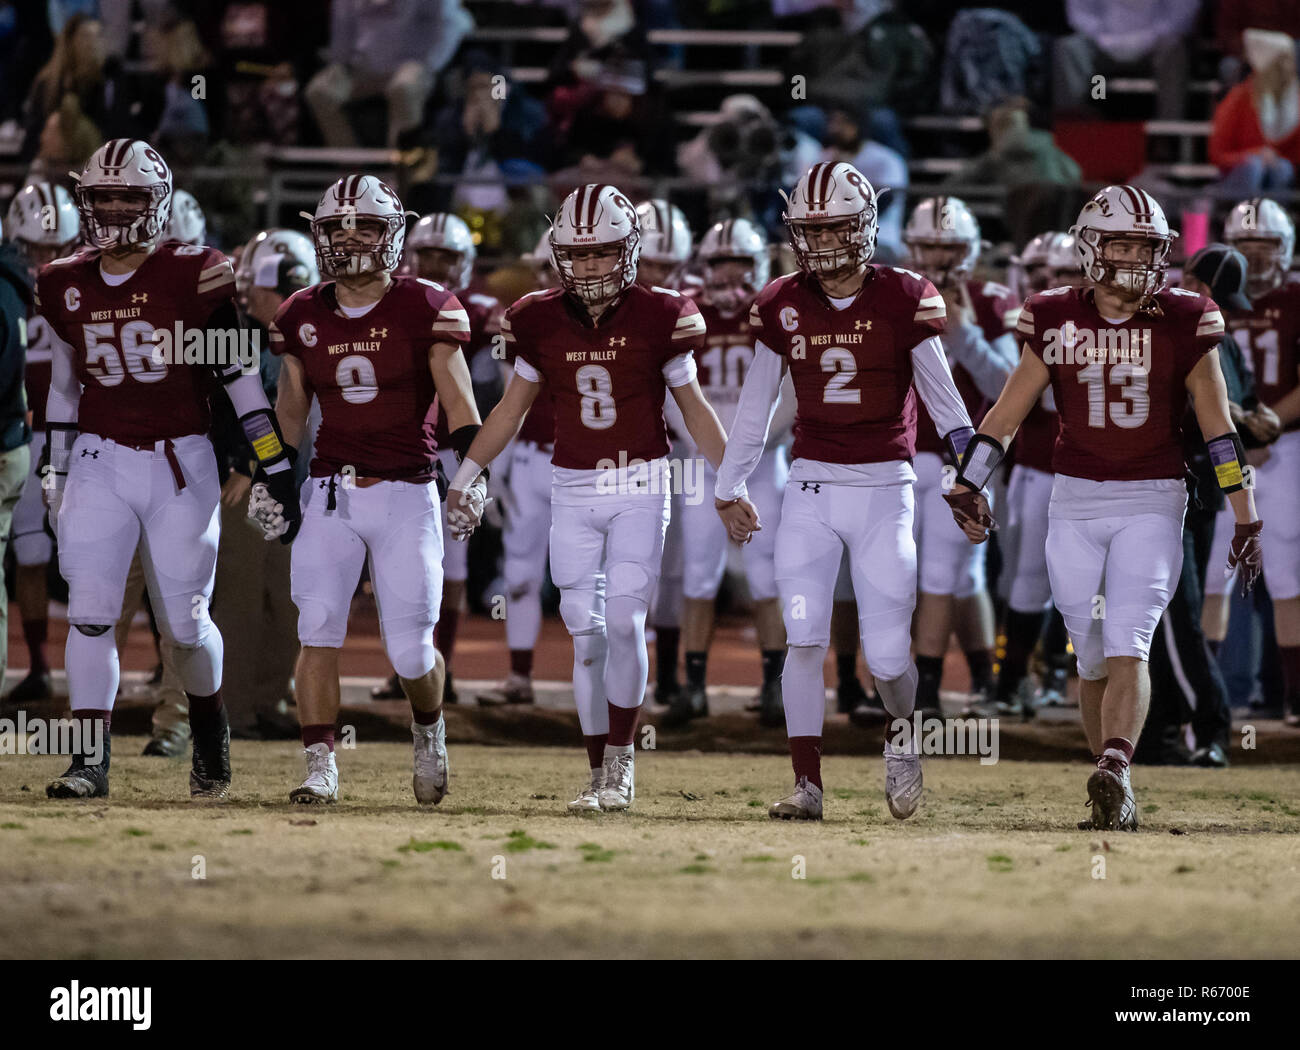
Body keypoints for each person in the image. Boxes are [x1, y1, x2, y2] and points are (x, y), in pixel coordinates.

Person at [946, 185, 1262, 830]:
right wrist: (968, 480)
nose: (1136, 258)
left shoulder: (1186, 315)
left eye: (1147, 247)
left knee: (1129, 640)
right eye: (1121, 243)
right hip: (1074, 500)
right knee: (1089, 652)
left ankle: (1117, 767)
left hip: (1152, 498)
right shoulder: (1053, 314)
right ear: (1091, 247)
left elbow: (1217, 429)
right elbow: (1006, 416)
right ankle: (1108, 783)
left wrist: (1245, 511)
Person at [446, 183, 728, 813]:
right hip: (570, 486)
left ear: (628, 251)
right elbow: (510, 411)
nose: (592, 266)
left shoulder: (663, 312)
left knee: (626, 622)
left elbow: (693, 410)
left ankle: (623, 765)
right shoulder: (536, 316)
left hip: (639, 481)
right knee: (585, 634)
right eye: (579, 254)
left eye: (603, 252)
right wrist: (466, 473)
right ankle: (597, 768)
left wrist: (730, 481)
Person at [714, 161, 975, 822]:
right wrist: (728, 484)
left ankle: (902, 732)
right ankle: (808, 784)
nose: (824, 241)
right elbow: (754, 404)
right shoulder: (782, 300)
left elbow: (947, 406)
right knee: (804, 636)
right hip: (810, 484)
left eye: (835, 227)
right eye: (812, 229)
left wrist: (973, 475)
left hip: (888, 484)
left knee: (889, 656)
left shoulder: (905, 295)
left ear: (865, 226)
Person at [39, 138, 299, 800]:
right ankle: (87, 760)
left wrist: (272, 461)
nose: (116, 208)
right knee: (92, 614)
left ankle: (210, 731)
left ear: (157, 204)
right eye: (103, 196)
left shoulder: (196, 271)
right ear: (85, 201)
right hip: (100, 457)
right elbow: (67, 381)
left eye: (130, 196)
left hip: (181, 462)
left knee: (185, 624)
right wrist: (56, 463)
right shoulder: (63, 280)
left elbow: (238, 373)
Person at [255, 176, 482, 805]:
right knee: (320, 624)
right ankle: (320, 765)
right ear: (319, 236)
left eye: (366, 227)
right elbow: (291, 415)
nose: (350, 238)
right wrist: (270, 476)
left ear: (393, 235)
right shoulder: (300, 312)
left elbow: (461, 402)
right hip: (331, 493)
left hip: (409, 492)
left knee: (411, 651)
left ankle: (429, 727)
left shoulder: (427, 305)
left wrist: (471, 474)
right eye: (337, 228)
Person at [369, 212, 500, 707]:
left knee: (454, 567)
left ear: (465, 263)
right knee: (393, 567)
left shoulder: (480, 311)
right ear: (411, 255)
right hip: (403, 450)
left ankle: (443, 667)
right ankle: (401, 670)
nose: (440, 266)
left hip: (457, 450)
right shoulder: (397, 302)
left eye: (449, 257)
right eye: (431, 256)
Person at [1141, 244, 1262, 766]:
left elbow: (1236, 426)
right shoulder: (1195, 333)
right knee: (1164, 615)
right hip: (1190, 486)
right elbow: (1243, 422)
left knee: (1174, 615)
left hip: (1189, 487)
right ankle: (1161, 731)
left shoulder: (1199, 336)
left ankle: (1208, 725)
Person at [901, 196, 1019, 719]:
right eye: (929, 247)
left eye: (949, 249)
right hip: (903, 456)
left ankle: (923, 695)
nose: (940, 260)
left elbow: (1008, 386)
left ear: (970, 251)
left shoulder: (993, 300)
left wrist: (967, 333)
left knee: (940, 573)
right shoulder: (892, 297)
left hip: (964, 459)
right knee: (962, 578)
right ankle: (986, 679)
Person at [673, 218, 792, 729]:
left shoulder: (775, 312)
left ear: (758, 266)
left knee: (768, 574)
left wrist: (744, 454)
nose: (727, 277)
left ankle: (773, 686)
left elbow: (793, 394)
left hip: (763, 461)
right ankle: (693, 687)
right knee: (699, 575)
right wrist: (720, 456)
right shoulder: (685, 311)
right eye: (719, 265)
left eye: (738, 265)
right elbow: (671, 397)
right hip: (701, 463)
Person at [212, 228, 319, 740]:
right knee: (242, 598)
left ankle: (269, 699)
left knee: (289, 600)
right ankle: (236, 706)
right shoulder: (238, 336)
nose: (246, 293)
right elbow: (236, 414)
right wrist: (242, 461)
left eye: (254, 284)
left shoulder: (306, 332)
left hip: (298, 486)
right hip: (255, 483)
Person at [1221, 197, 1300, 725]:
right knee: (1214, 572)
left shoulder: (1295, 297)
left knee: (1288, 572)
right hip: (1223, 444)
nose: (1255, 254)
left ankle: (1292, 696)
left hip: (1287, 443)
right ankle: (1216, 698)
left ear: (1284, 246)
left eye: (1264, 244)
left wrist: (1268, 420)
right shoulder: (1213, 300)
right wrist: (1237, 428)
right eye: (1246, 244)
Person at [2, 181, 78, 709]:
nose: (47, 259)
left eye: (57, 247)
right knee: (30, 554)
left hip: (80, 438)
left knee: (91, 558)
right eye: (36, 248)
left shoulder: (89, 288)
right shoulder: (10, 289)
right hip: (29, 434)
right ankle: (41, 666)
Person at [476, 231, 560, 707]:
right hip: (531, 460)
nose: (549, 278)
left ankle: (611, 688)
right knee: (521, 575)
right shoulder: (523, 319)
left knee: (596, 583)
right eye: (545, 268)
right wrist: (497, 473)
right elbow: (512, 406)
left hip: (591, 469)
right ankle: (520, 677)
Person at [305, 0, 473, 148]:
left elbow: (448, 26)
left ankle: (401, 166)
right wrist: (339, 63)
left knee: (403, 87)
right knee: (319, 91)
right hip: (361, 67)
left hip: (413, 64)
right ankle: (350, 166)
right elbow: (343, 31)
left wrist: (428, 64)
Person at [1209, 30, 1300, 198]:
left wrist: (1273, 158)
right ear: (1265, 67)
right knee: (1254, 167)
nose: (1288, 69)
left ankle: (1275, 221)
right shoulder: (1239, 98)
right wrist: (1255, 154)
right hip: (1236, 178)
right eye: (1281, 63)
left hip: (1277, 177)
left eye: (1290, 62)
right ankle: (1246, 223)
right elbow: (1217, 155)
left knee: (1283, 169)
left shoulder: (1296, 102)